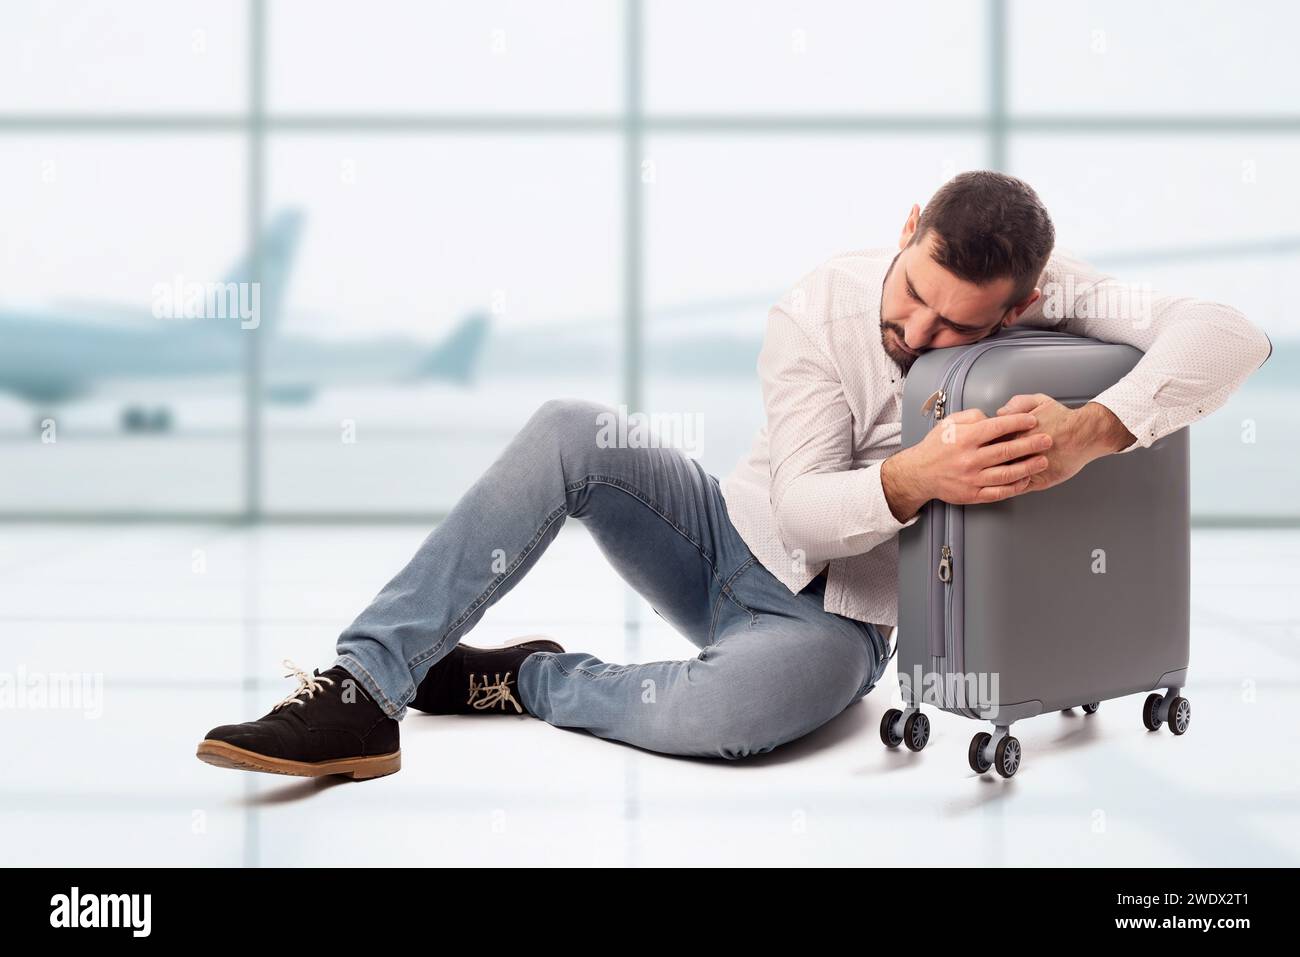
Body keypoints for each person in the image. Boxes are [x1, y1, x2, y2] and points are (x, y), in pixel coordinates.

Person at [195, 170, 1270, 779]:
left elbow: (1232, 332)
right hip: (719, 534)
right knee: (574, 426)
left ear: (1024, 302)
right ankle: (364, 686)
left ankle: (519, 677)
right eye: (914, 294)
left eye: (956, 324)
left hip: (835, 630)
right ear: (905, 231)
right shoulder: (819, 303)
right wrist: (915, 478)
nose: (918, 330)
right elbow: (803, 502)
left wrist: (1095, 428)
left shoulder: (1053, 294)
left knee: (731, 727)